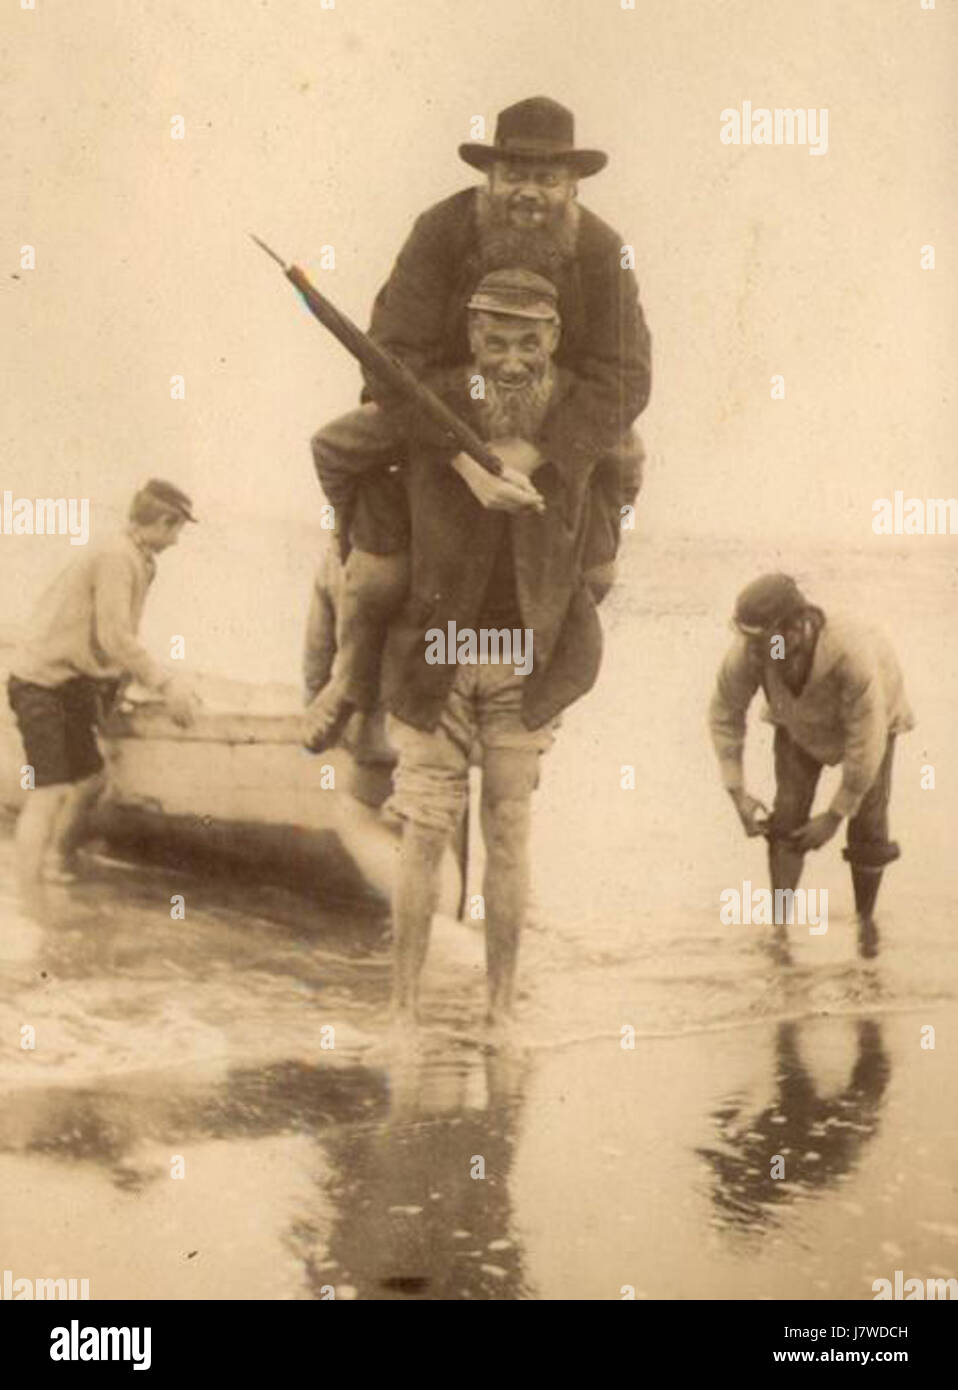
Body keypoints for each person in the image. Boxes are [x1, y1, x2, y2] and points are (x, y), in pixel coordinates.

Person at [306, 95, 651, 751]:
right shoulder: (439, 230)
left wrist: (540, 451)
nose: (530, 193)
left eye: (547, 179)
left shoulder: (604, 250)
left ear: (572, 184)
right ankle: (349, 676)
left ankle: (545, 665)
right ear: (489, 178)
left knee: (611, 523)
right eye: (515, 175)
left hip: (552, 413)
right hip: (437, 409)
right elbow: (390, 357)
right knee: (375, 556)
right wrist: (465, 454)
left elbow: (628, 372)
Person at [374, 268, 605, 1026]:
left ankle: (501, 1013)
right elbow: (341, 451)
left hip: (525, 661)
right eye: (496, 339)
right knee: (424, 830)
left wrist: (578, 580)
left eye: (530, 342)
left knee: (508, 830)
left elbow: (612, 513)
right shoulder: (427, 400)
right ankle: (401, 1012)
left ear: (556, 340)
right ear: (472, 335)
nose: (512, 359)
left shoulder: (578, 412)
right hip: (436, 652)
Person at [7, 479, 201, 893]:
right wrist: (167, 685)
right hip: (40, 682)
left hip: (73, 681)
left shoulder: (140, 558)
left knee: (92, 781)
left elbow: (114, 639)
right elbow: (115, 637)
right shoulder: (118, 557)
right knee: (49, 790)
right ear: (165, 522)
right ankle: (27, 897)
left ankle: (55, 861)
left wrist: (130, 686)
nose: (178, 541)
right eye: (178, 529)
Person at [708, 573, 915, 948]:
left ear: (799, 627)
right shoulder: (755, 650)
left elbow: (866, 741)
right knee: (788, 813)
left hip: (870, 718)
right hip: (797, 722)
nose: (754, 653)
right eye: (748, 641)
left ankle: (865, 927)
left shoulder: (852, 653)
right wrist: (736, 790)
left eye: (763, 642)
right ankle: (780, 930)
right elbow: (725, 712)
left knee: (868, 820)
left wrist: (836, 814)